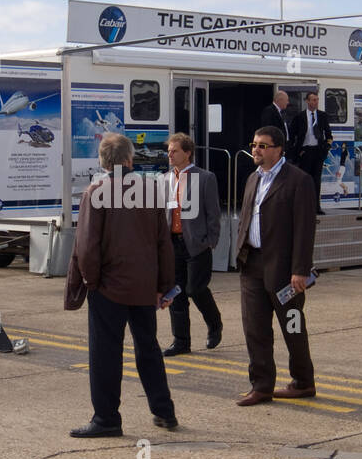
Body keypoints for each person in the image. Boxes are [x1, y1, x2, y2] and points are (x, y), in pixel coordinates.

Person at [69, 132, 178, 437]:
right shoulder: (151, 190)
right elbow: (162, 243)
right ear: (130, 159)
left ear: (103, 161)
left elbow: (88, 244)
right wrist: (165, 285)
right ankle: (164, 411)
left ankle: (106, 419)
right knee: (148, 349)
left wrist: (90, 280)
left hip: (109, 287)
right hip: (144, 285)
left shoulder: (97, 191)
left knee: (106, 353)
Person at [234, 125, 317, 406]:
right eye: (254, 144)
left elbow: (305, 229)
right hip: (252, 265)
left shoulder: (298, 180)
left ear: (278, 149)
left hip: (284, 269)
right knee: (255, 329)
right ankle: (261, 386)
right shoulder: (252, 179)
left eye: (262, 145)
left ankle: (303, 381)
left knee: (292, 328)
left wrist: (301, 269)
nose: (255, 149)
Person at [162, 133, 223, 356]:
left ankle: (215, 324)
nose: (169, 154)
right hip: (173, 244)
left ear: (187, 153)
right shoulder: (166, 178)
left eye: (174, 150)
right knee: (175, 293)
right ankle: (181, 341)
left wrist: (211, 242)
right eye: (168, 151)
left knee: (195, 289)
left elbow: (213, 213)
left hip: (197, 244)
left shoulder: (205, 178)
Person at [288, 90, 333, 215]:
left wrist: (326, 148)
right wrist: (297, 152)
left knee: (316, 179)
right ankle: (303, 207)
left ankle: (316, 206)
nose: (315, 102)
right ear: (307, 101)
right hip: (305, 151)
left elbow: (328, 134)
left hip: (318, 151)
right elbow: (293, 136)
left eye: (317, 100)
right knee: (304, 180)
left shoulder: (322, 115)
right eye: (313, 100)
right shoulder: (300, 117)